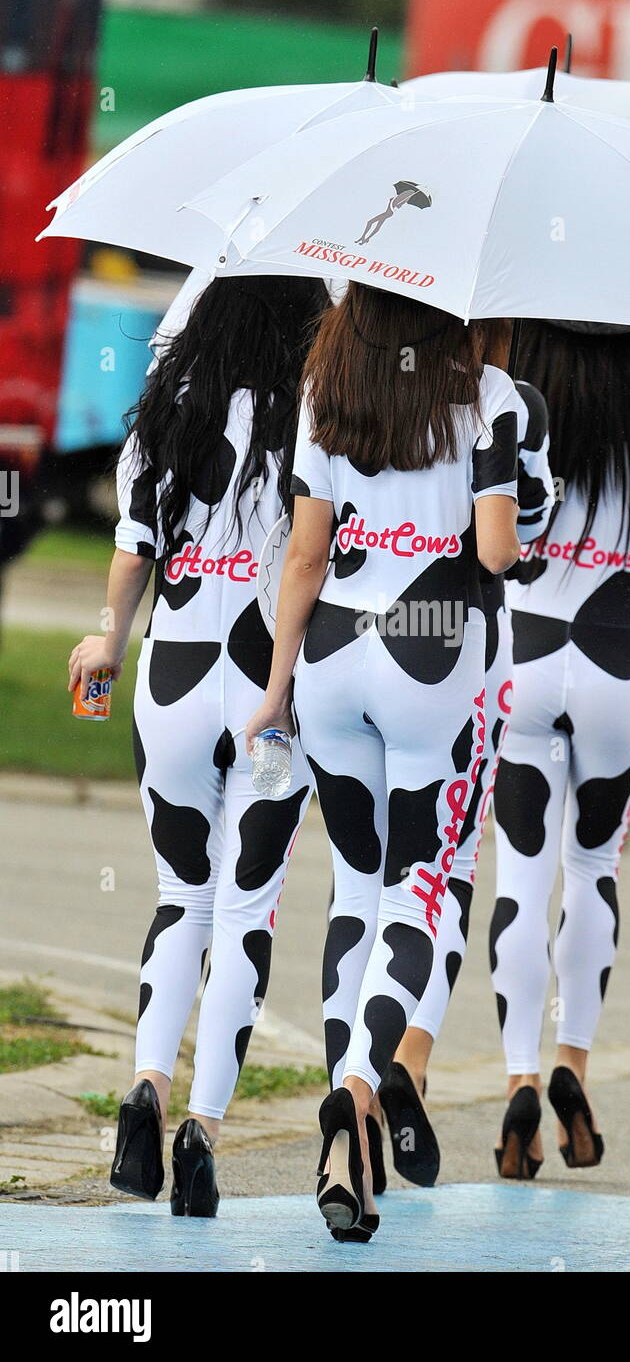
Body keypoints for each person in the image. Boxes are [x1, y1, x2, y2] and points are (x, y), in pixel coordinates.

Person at [245, 282, 523, 1241]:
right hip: (432, 652)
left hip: (328, 656)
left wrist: (275, 690)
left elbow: (304, 558)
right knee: (419, 890)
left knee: (353, 892)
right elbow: (492, 552)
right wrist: (529, 516)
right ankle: (362, 1086)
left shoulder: (326, 393)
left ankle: (345, 1148)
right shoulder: (491, 396)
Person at [68, 275, 328, 1216]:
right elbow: (317, 555)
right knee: (246, 908)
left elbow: (134, 549)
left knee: (181, 897)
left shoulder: (165, 411)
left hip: (168, 682)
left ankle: (146, 1085)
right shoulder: (317, 411)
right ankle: (204, 1129)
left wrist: (107, 639)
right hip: (270, 697)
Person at [489, 319, 630, 1175]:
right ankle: (573, 1062)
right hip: (621, 650)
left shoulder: (519, 399)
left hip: (526, 647)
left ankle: (518, 1078)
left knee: (521, 873)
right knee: (593, 870)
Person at [376, 321, 555, 1188]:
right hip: (467, 657)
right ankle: (408, 1061)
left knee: (366, 879)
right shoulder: (508, 402)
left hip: (355, 645)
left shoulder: (360, 382)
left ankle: (355, 1079)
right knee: (444, 873)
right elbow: (512, 544)